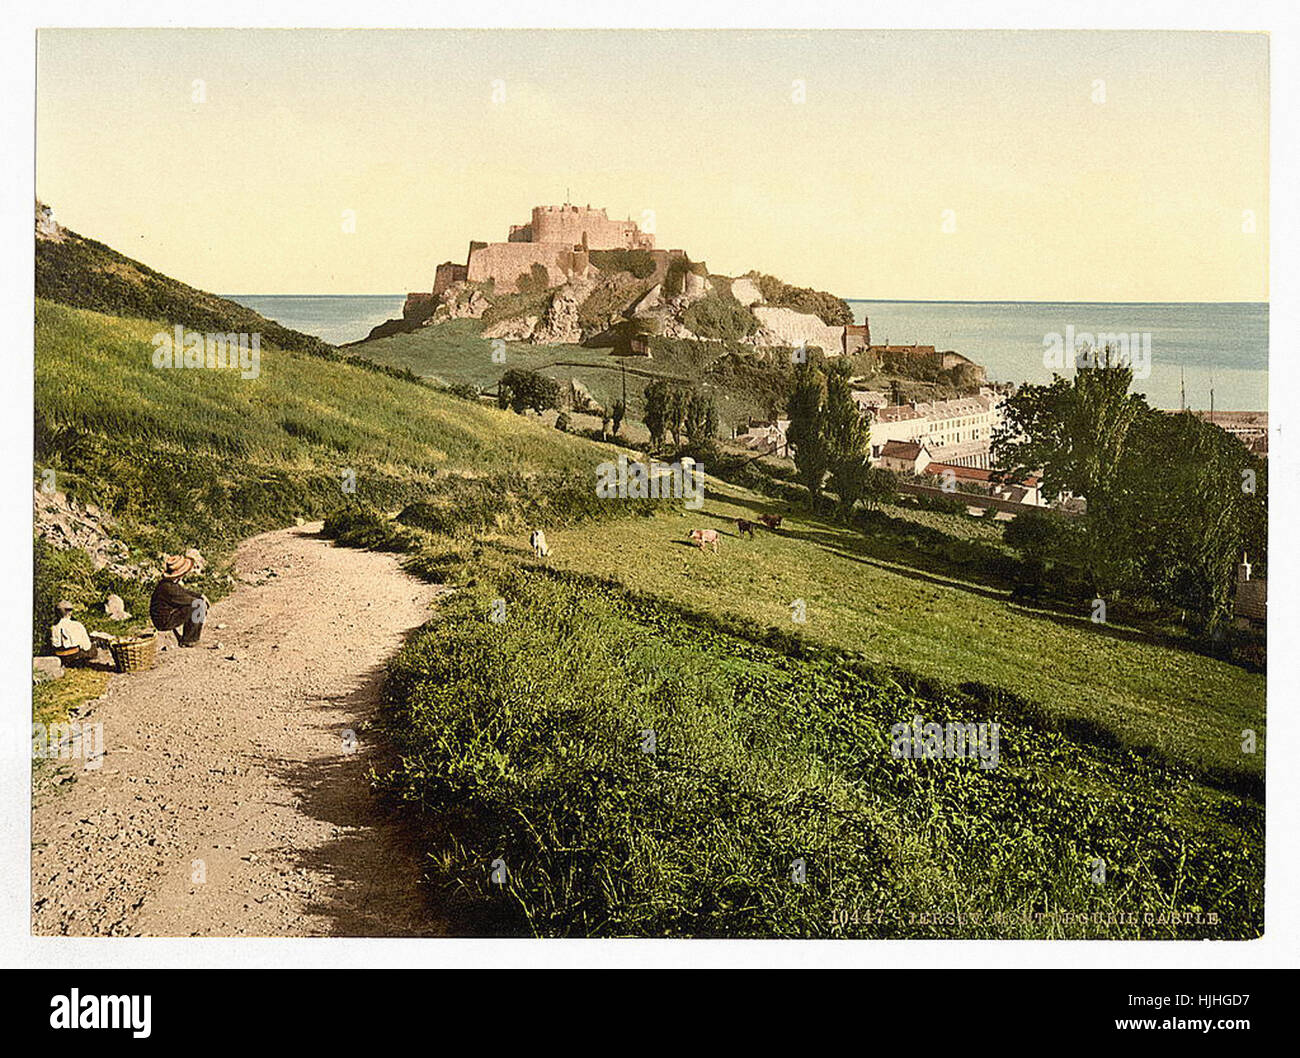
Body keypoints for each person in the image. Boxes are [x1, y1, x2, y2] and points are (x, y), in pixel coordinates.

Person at [151, 554, 208, 646]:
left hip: (166, 617)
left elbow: (184, 592)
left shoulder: (168, 584)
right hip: (164, 622)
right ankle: (189, 639)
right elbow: (187, 599)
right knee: (198, 605)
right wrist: (201, 601)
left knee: (198, 602)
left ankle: (190, 637)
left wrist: (200, 595)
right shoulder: (168, 588)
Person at [50, 600, 95, 665]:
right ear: (69, 612)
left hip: (58, 654)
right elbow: (86, 646)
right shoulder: (77, 625)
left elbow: (54, 643)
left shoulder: (53, 627)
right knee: (92, 647)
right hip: (74, 655)